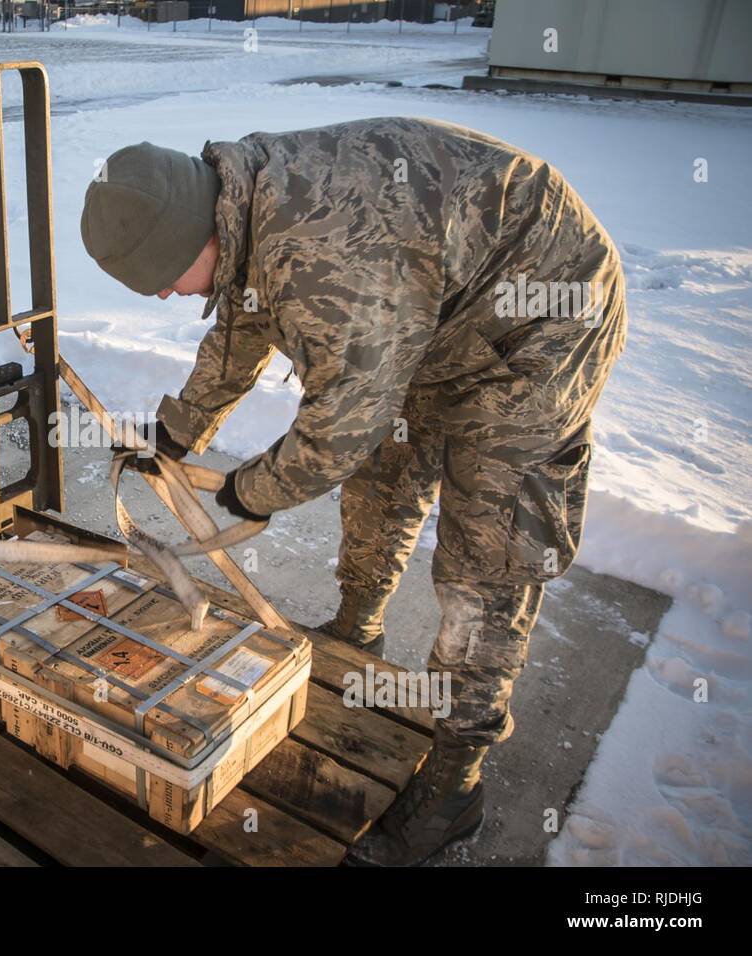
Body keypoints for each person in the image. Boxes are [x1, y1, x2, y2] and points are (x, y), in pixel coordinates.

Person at [79, 118, 626, 865]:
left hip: (541, 321)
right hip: (433, 315)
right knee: (383, 484)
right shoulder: (242, 207)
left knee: (487, 557)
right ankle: (358, 631)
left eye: (170, 278)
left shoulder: (316, 247)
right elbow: (241, 325)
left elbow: (342, 424)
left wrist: (253, 490)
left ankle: (456, 782)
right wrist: (177, 431)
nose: (173, 296)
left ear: (195, 234)